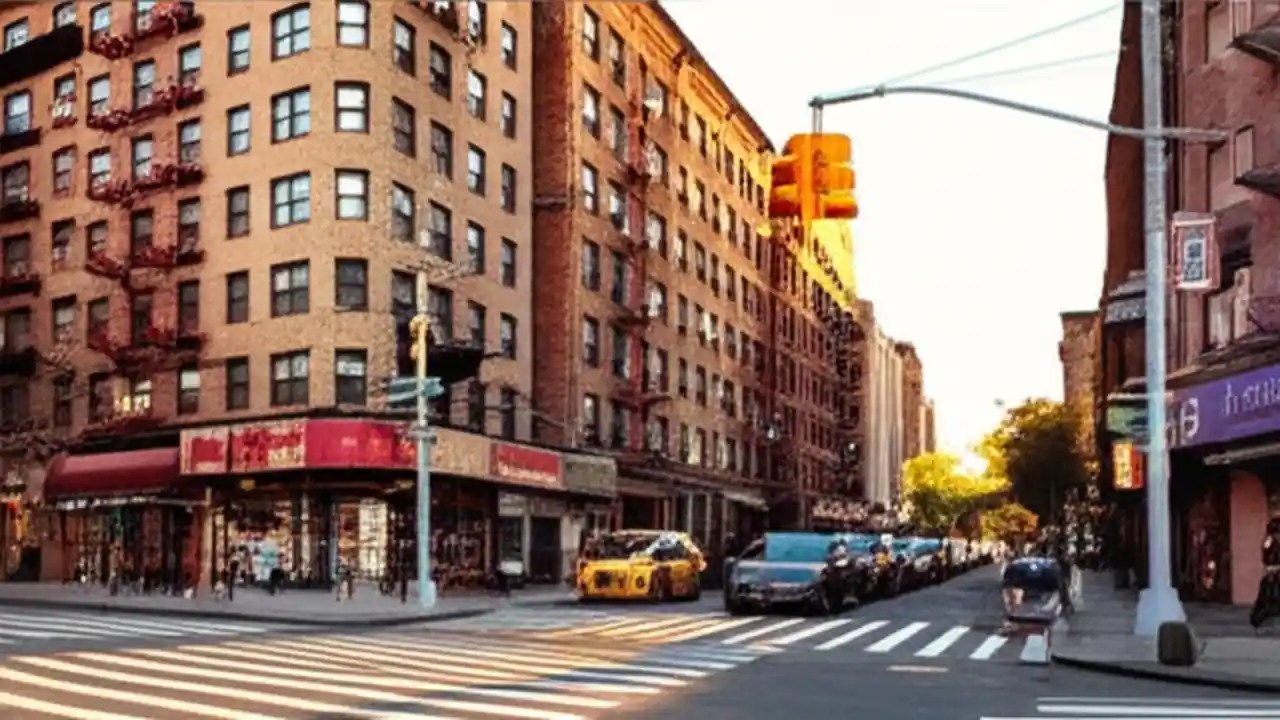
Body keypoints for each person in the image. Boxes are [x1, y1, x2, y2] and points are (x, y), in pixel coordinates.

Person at [1250, 517, 1280, 630]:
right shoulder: (1269, 541)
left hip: (1274, 573)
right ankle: (1259, 620)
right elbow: (1266, 557)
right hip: (1272, 574)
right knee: (1268, 596)